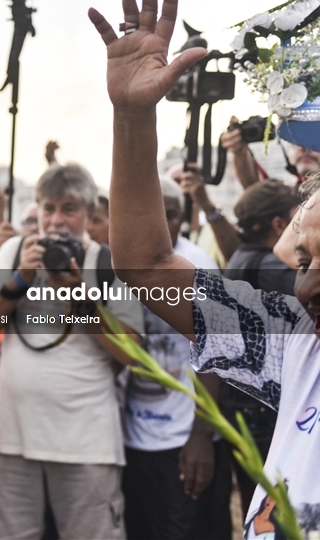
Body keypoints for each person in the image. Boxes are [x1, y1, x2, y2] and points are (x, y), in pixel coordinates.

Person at [89, 0, 320, 539]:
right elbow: (146, 265)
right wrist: (133, 116)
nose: (309, 287)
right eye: (304, 263)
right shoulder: (298, 349)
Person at [0, 162, 144, 540]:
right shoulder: (14, 251)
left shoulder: (108, 262)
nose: (55, 220)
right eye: (48, 208)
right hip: (12, 435)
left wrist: (77, 296)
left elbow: (131, 352)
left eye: (69, 209)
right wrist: (20, 278)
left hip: (85, 442)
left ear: (89, 215)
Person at [123, 177, 229, 540]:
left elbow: (217, 352)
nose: (160, 225)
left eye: (168, 215)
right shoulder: (117, 262)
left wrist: (201, 436)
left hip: (181, 440)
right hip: (135, 437)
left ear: (181, 217)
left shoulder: (194, 265)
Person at [221, 179, 299, 521]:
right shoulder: (271, 267)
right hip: (267, 413)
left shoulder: (240, 257)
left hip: (242, 406)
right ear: (280, 225)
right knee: (280, 513)